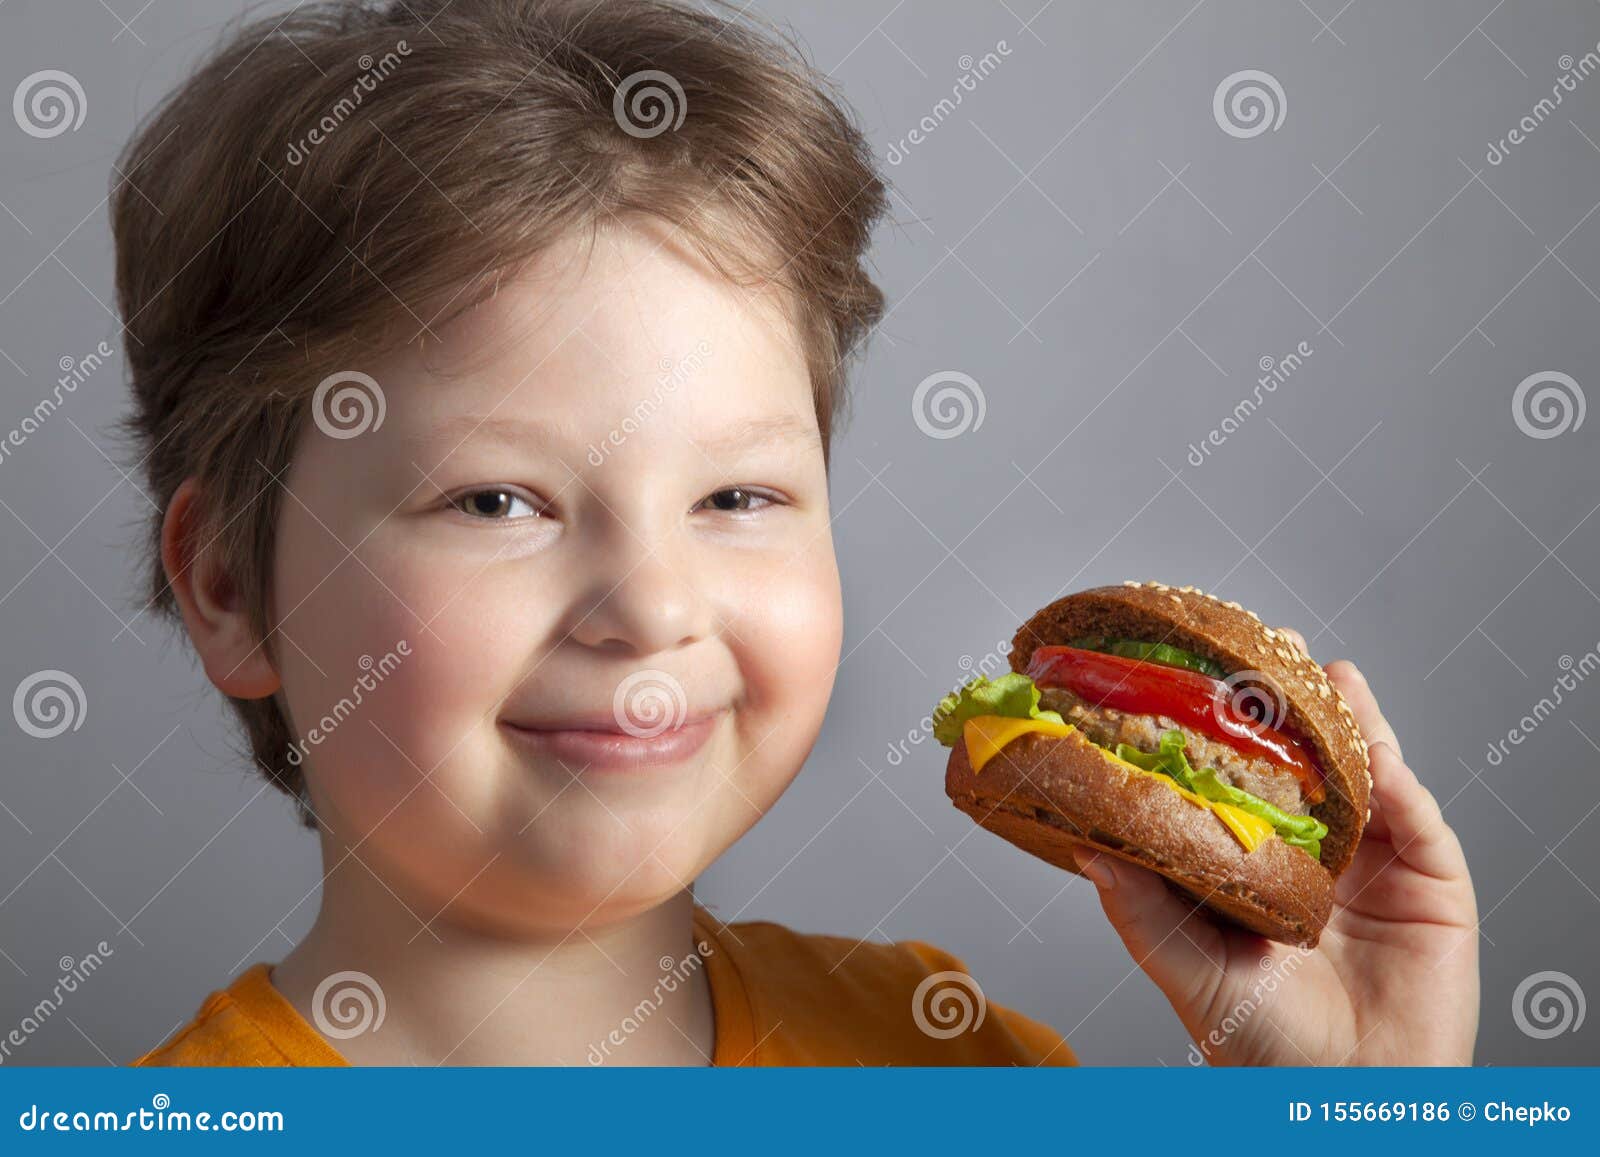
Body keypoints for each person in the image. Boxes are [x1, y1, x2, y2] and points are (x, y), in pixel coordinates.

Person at [118, 0, 1477, 1067]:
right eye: (498, 501)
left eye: (736, 498)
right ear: (232, 585)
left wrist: (1370, 1097)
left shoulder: (958, 1057)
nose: (650, 607)